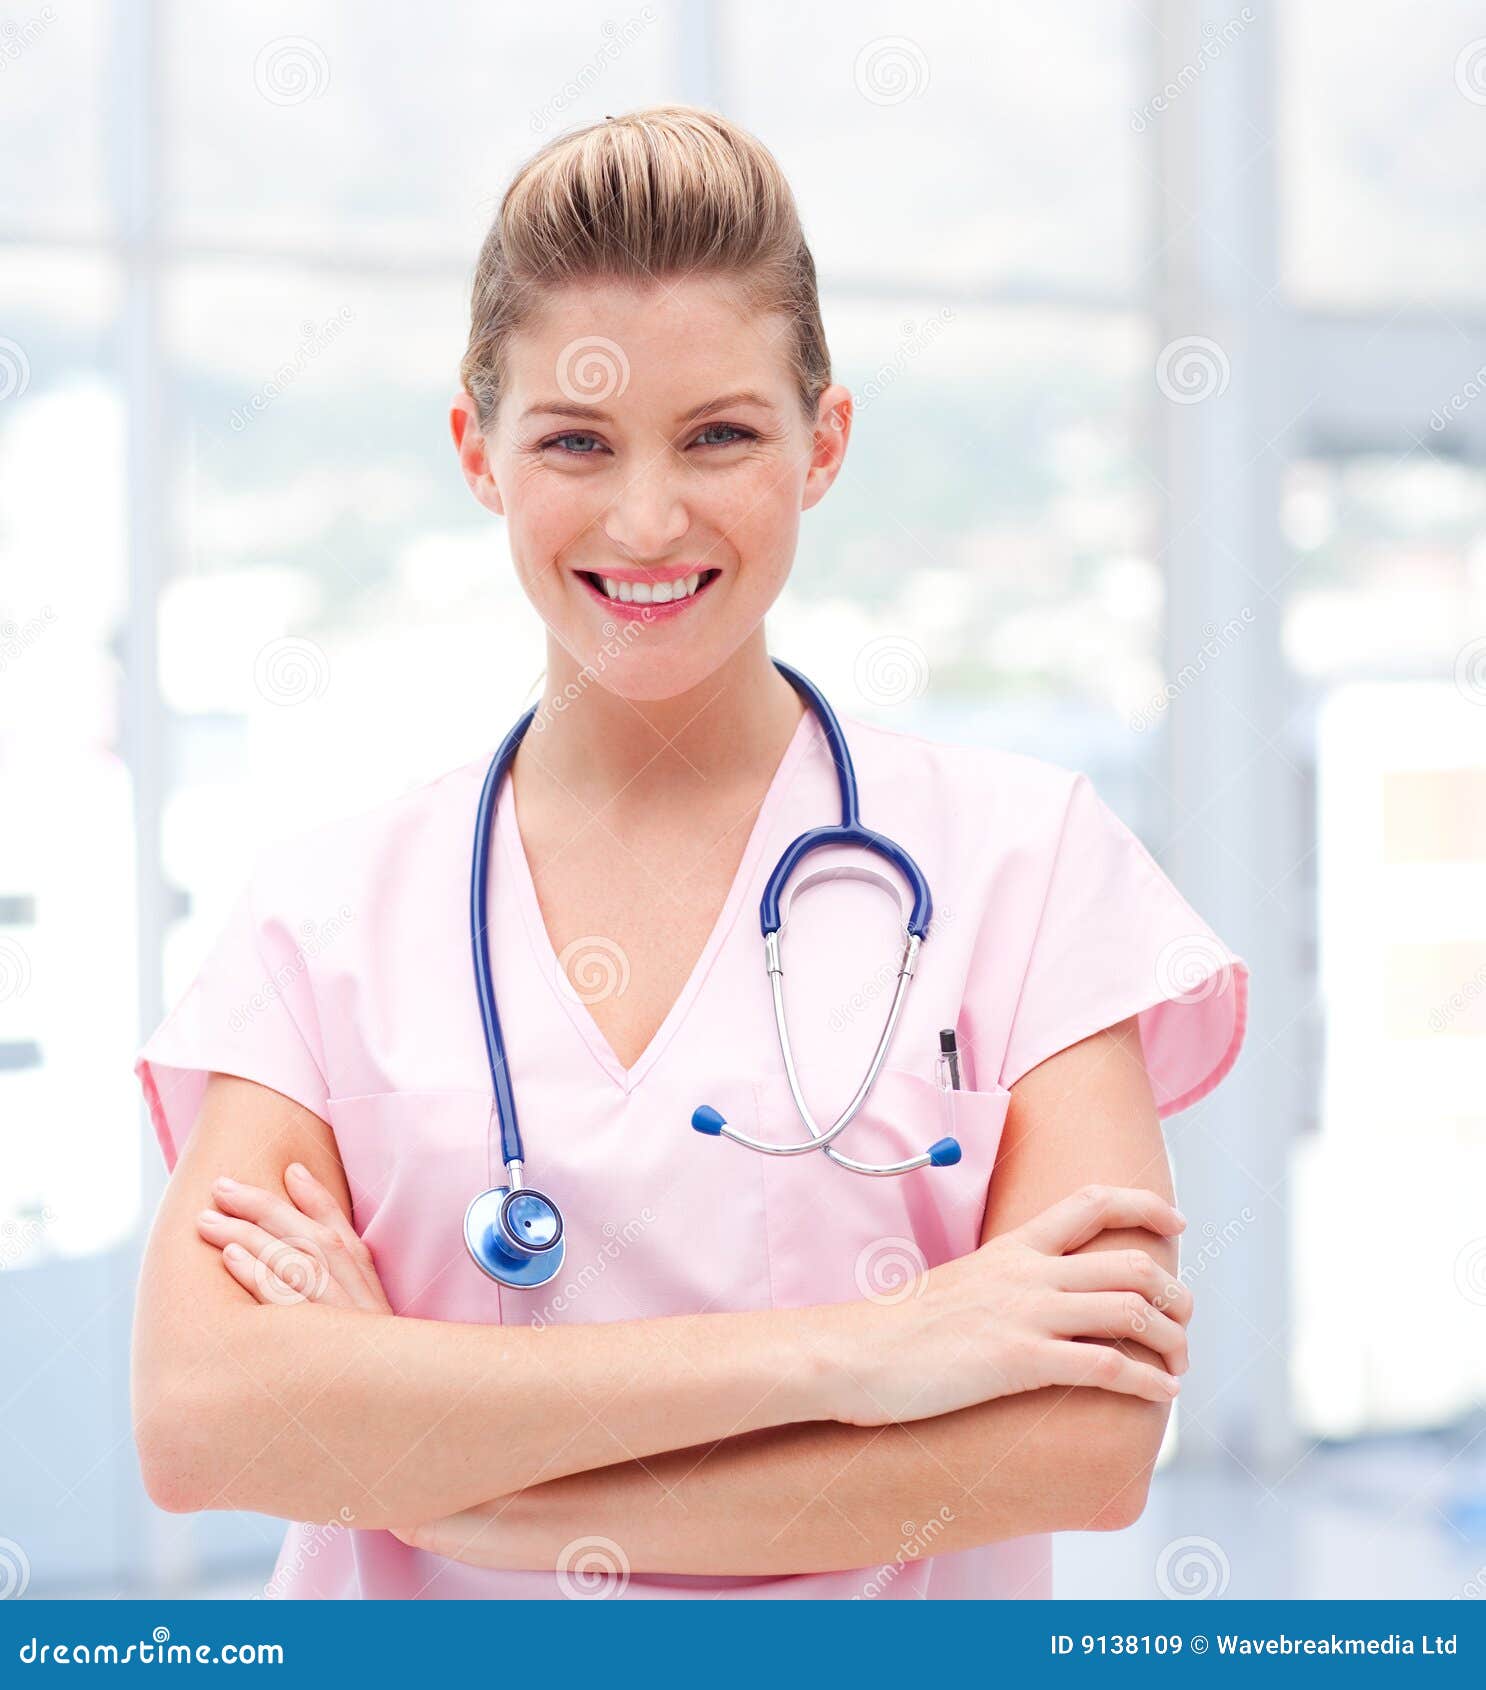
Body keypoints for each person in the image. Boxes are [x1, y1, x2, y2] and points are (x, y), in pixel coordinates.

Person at [129, 105, 1248, 1600]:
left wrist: (446, 1472)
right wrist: (871, 1350)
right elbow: (203, 1416)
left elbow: (1080, 1443)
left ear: (822, 444)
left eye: (719, 435)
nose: (647, 519)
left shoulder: (1027, 868)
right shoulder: (324, 916)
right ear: (477, 453)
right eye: (574, 442)